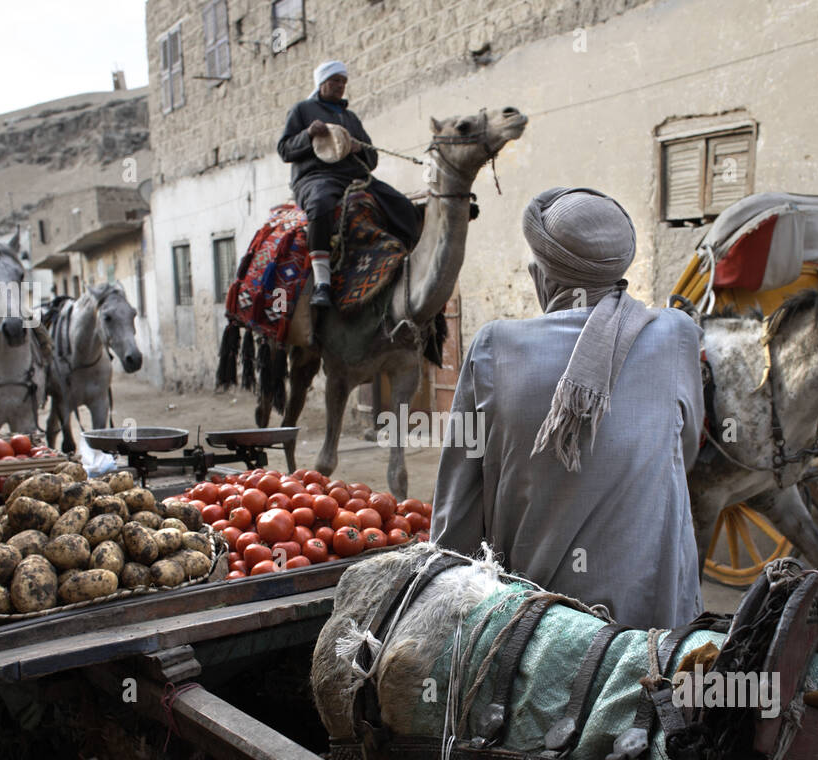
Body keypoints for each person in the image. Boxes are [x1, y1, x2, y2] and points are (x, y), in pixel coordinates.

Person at [430, 187, 705, 628]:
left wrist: (446, 605)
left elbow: (458, 505)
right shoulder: (676, 335)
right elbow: (683, 454)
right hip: (655, 625)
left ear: (541, 274)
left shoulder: (493, 346)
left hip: (531, 628)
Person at [277, 60, 419, 311]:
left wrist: (358, 148)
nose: (341, 86)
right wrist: (309, 134)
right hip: (315, 177)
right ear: (322, 83)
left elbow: (372, 159)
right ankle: (323, 283)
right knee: (320, 205)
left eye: (343, 81)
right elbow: (285, 150)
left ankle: (410, 267)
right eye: (335, 81)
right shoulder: (302, 110)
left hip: (353, 178)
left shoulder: (350, 118)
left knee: (402, 205)